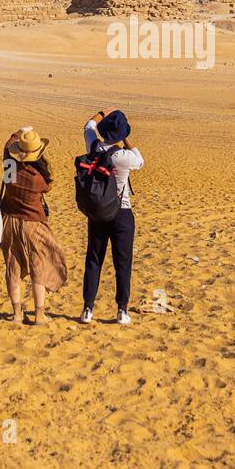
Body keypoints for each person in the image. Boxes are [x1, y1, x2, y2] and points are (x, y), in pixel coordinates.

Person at [0, 127, 67, 325]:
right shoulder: (39, 178)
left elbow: (6, 147)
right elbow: (49, 187)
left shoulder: (9, 166)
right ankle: (39, 314)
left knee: (13, 266)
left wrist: (19, 133)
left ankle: (17, 313)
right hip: (33, 223)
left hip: (9, 221)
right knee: (40, 265)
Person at [80, 109, 143, 325]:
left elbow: (88, 126)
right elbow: (140, 160)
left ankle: (88, 308)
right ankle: (121, 310)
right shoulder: (123, 156)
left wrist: (101, 113)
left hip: (97, 212)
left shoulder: (93, 147)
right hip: (121, 213)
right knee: (122, 263)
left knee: (94, 260)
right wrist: (125, 135)